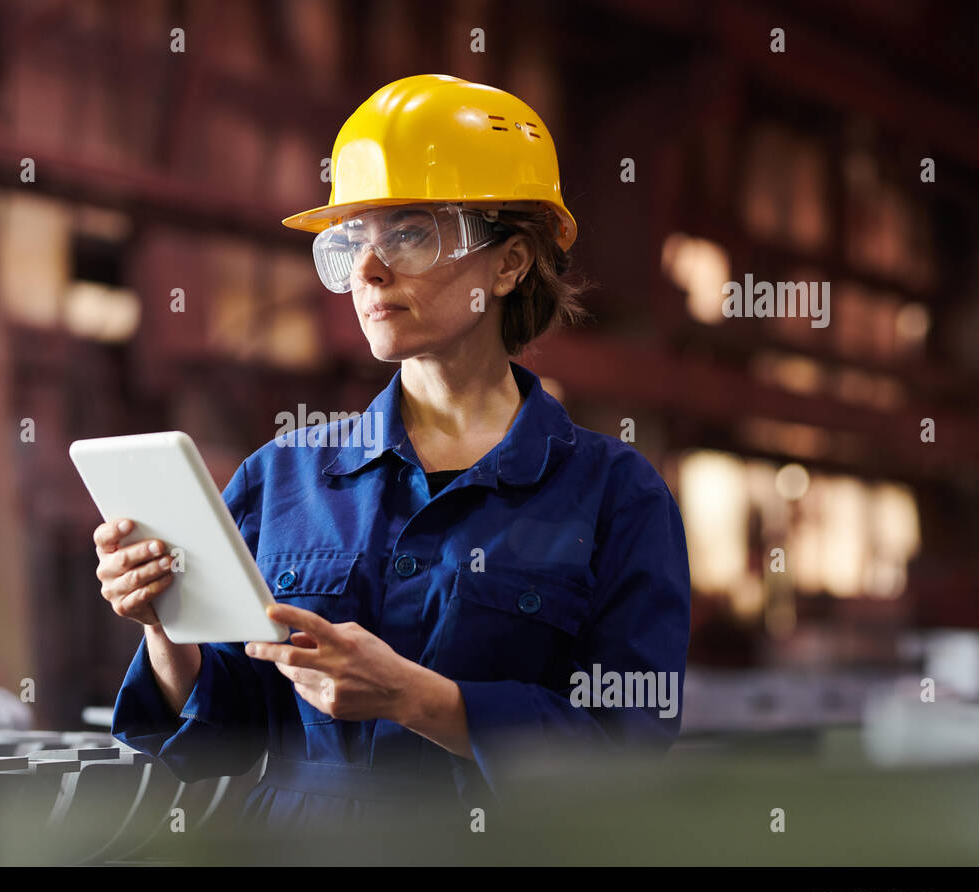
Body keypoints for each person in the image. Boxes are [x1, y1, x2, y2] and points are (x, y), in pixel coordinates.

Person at [95, 74, 690, 832]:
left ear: (508, 265)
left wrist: (420, 700)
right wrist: (162, 624)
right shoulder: (282, 478)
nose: (369, 272)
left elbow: (627, 755)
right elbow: (224, 737)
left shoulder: (615, 496)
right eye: (350, 242)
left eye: (410, 233)